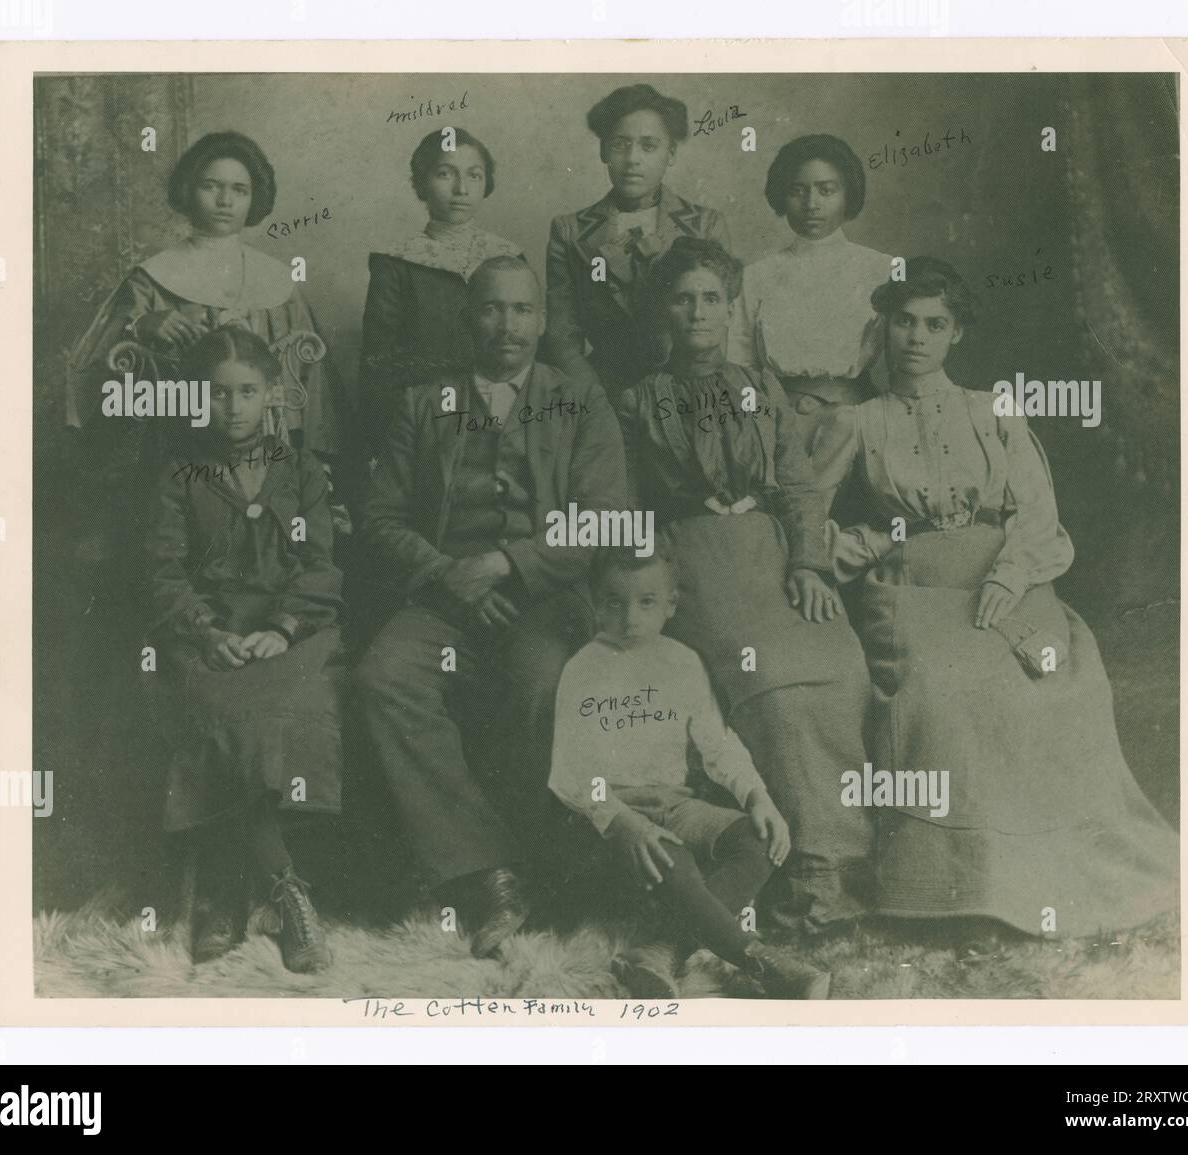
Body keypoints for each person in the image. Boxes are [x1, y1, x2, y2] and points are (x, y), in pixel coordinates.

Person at [807, 256, 1178, 941]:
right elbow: (806, 514)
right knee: (939, 693)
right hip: (914, 590)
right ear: (883, 328)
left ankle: (1040, 877)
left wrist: (1009, 577)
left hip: (1007, 580)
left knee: (1049, 681)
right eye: (904, 322)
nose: (917, 338)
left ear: (957, 333)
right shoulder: (858, 422)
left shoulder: (992, 411)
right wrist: (871, 545)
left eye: (934, 324)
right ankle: (962, 888)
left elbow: (1036, 511)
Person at [352, 255, 627, 959]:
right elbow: (379, 520)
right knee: (385, 676)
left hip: (545, 596)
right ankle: (486, 871)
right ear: (466, 318)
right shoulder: (424, 402)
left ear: (542, 319)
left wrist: (507, 564)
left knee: (541, 682)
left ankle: (548, 868)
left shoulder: (580, 400)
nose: (507, 325)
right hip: (444, 595)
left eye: (522, 310)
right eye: (491, 309)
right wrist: (450, 574)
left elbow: (603, 516)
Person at [620, 236, 874, 936]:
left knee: (841, 666)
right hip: (691, 558)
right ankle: (807, 870)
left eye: (711, 298)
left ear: (730, 307)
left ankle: (845, 864)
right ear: (664, 313)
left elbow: (798, 486)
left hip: (772, 553)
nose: (698, 312)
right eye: (683, 300)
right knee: (769, 686)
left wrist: (808, 565)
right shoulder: (637, 399)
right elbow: (629, 505)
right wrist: (656, 582)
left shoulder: (760, 387)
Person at [549, 541, 832, 1000]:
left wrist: (758, 797)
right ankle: (763, 963)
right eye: (614, 602)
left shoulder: (682, 661)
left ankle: (660, 950)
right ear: (595, 603)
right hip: (607, 816)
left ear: (671, 605)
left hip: (675, 805)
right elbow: (569, 773)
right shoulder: (583, 669)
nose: (629, 618)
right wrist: (622, 821)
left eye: (646, 602)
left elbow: (718, 745)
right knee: (668, 855)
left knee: (760, 838)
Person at [145, 326, 345, 973]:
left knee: (291, 708)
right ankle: (285, 893)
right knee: (225, 711)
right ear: (198, 398)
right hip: (208, 634)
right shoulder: (179, 473)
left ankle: (224, 891)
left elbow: (320, 566)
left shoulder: (300, 470)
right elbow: (163, 572)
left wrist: (284, 627)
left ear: (272, 394)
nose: (233, 407)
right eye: (218, 393)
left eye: (247, 392)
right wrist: (207, 630)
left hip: (292, 633)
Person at [68, 131, 345, 465]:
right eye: (211, 186)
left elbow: (312, 387)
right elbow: (91, 372)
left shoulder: (279, 285)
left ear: (254, 198)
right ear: (189, 190)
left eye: (239, 190)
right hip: (177, 449)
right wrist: (140, 325)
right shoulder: (150, 279)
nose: (225, 201)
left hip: (268, 449)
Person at [543, 83, 730, 404]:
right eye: (620, 145)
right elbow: (562, 335)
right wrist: (594, 398)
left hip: (688, 387)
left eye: (649, 146)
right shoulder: (570, 231)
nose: (632, 159)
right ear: (603, 150)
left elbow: (720, 326)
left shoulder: (705, 226)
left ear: (671, 153)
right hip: (604, 387)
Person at [357, 127, 522, 460]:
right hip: (425, 420)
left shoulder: (508, 258)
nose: (461, 189)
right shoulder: (396, 262)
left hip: (503, 415)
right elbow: (379, 363)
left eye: (474, 175)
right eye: (446, 174)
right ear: (422, 183)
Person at [729, 134, 894, 452]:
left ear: (848, 194)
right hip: (777, 424)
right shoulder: (756, 276)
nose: (811, 204)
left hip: (861, 423)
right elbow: (739, 364)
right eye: (797, 191)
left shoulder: (881, 270)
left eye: (826, 190)